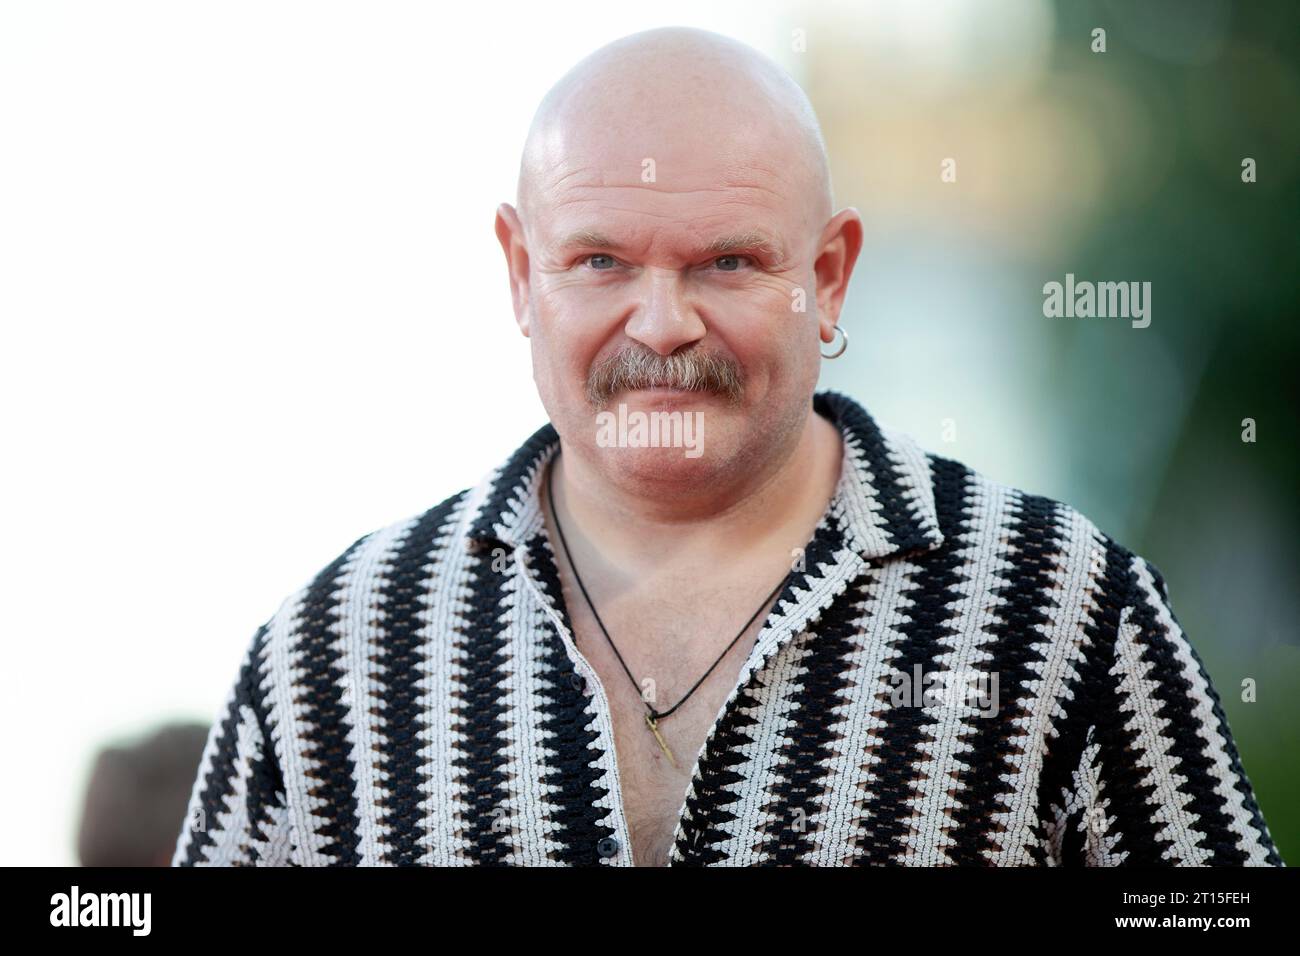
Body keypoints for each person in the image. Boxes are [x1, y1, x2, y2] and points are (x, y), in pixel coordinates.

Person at [173, 26, 1282, 867]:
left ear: (828, 277)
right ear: (521, 274)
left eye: (727, 263)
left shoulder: (1056, 603)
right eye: (599, 261)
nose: (661, 324)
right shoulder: (339, 645)